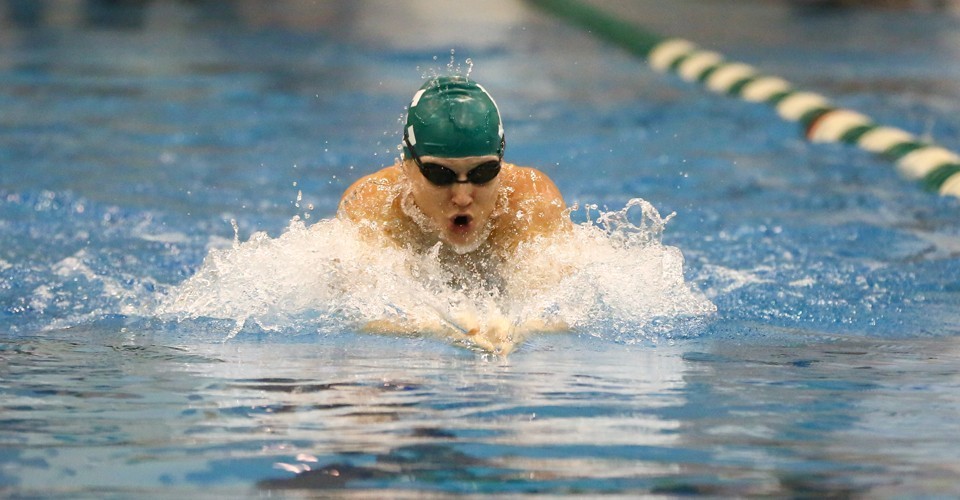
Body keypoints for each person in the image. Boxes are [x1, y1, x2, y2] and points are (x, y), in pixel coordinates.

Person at [336, 75, 571, 353]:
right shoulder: (373, 207)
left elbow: (562, 305)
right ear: (407, 168)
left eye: (482, 172)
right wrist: (436, 329)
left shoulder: (529, 203)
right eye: (440, 174)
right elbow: (358, 309)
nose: (461, 197)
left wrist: (520, 330)